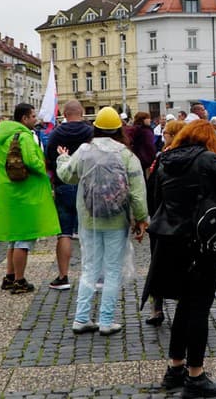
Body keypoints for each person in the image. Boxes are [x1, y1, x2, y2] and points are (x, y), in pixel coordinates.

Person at [144, 119, 216, 397]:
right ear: (210, 140)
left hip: (171, 241)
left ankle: (175, 368)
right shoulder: (207, 159)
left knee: (184, 305)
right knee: (198, 307)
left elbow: (155, 201)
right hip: (201, 241)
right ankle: (195, 375)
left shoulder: (164, 160)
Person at [57, 106, 147, 336]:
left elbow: (67, 176)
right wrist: (141, 219)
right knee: (113, 271)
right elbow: (137, 193)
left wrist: (62, 158)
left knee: (89, 268)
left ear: (95, 128)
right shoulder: (126, 155)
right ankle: (106, 321)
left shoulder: (84, 151)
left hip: (89, 219)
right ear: (119, 129)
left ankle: (81, 318)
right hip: (117, 220)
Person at [0, 103, 61, 294]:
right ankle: (19, 281)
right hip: (25, 194)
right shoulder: (24, 136)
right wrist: (46, 166)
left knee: (14, 239)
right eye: (33, 116)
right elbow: (33, 162)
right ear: (24, 118)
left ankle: (9, 276)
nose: (35, 119)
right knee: (23, 240)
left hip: (7, 192)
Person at [45, 100, 93, 291]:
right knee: (90, 232)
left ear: (64, 114)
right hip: (87, 185)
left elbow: (49, 157)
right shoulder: (90, 132)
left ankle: (63, 277)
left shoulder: (56, 133)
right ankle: (94, 276)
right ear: (82, 112)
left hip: (64, 185)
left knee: (64, 233)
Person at [145, 117, 186, 325]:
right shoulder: (194, 156)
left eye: (166, 133)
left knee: (158, 265)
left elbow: (153, 190)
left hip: (162, 219)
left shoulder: (163, 158)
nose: (163, 136)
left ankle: (157, 309)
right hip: (184, 221)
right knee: (182, 264)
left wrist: (152, 215)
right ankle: (182, 306)